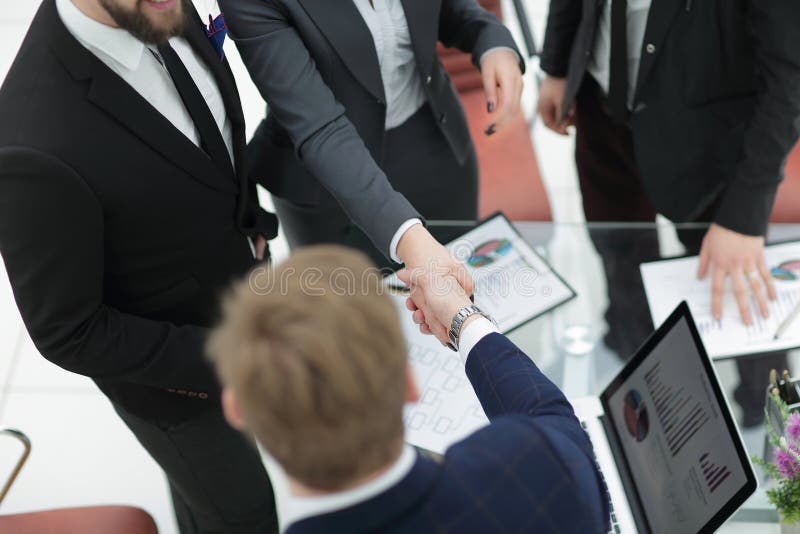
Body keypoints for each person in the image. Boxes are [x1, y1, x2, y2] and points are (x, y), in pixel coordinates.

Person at [0, 0, 277, 531]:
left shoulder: (160, 7)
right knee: (243, 513)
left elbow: (209, 146)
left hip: (243, 295)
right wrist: (228, 363)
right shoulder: (32, 144)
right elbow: (67, 330)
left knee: (203, 500)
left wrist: (253, 224)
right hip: (181, 387)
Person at [208, 246, 609, 534]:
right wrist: (461, 319)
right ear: (410, 383)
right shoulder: (532, 467)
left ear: (237, 409)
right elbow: (555, 421)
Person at [536, 0, 800, 424]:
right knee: (620, 260)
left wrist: (743, 214)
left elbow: (790, 77)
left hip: (709, 134)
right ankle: (643, 400)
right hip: (601, 109)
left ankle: (772, 421)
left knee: (738, 294)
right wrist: (557, 66)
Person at [220, 0, 525, 266]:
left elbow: (448, 8)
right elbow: (319, 127)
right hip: (326, 186)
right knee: (352, 321)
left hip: (435, 148)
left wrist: (491, 40)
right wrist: (407, 237)